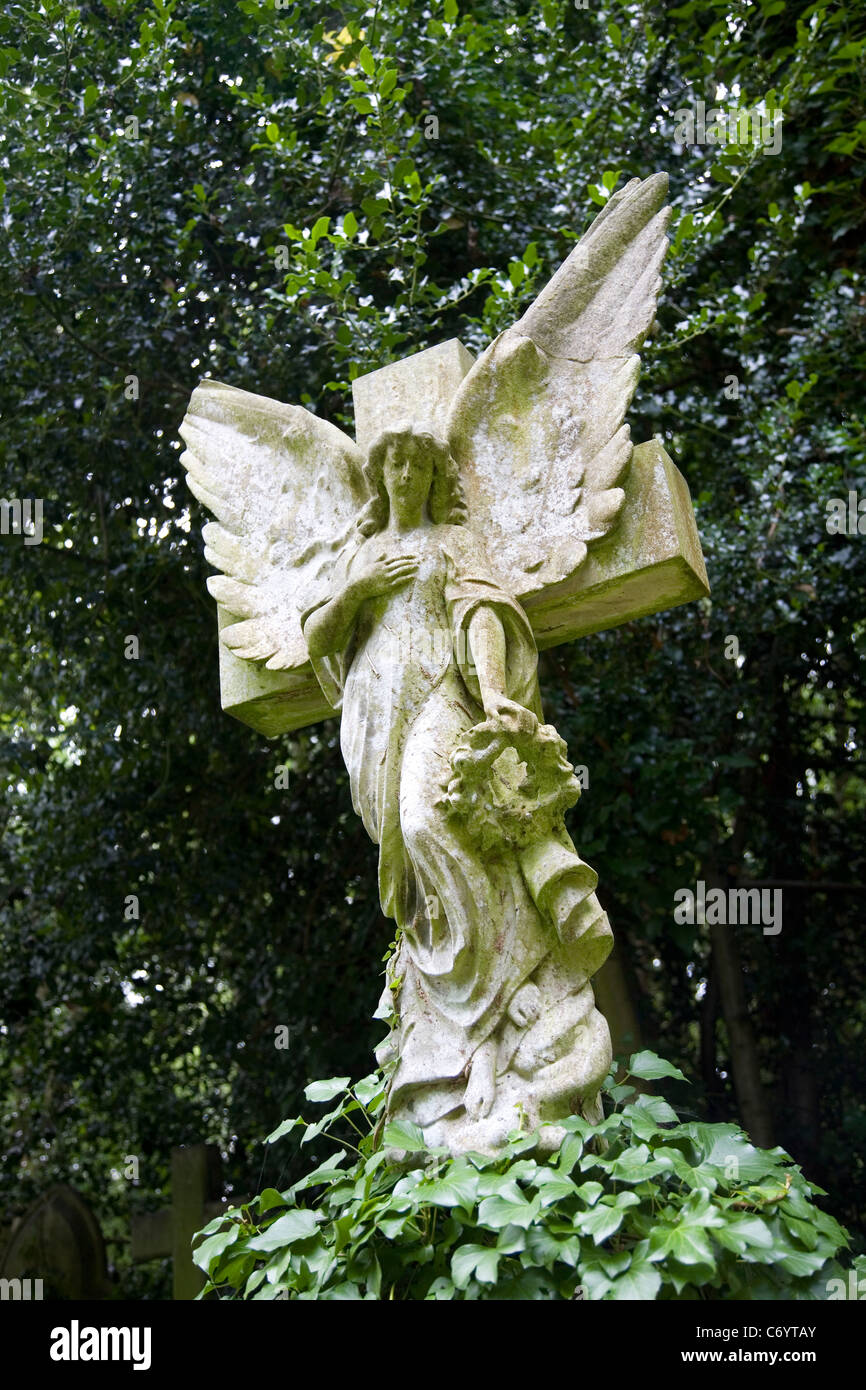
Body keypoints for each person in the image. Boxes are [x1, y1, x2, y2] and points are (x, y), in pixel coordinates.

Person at [302, 423, 612, 1152]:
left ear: (434, 473)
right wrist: (358, 588)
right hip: (375, 718)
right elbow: (318, 636)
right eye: (392, 462)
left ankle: (498, 996)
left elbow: (479, 611)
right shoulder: (365, 553)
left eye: (416, 461)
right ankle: (448, 1039)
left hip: (442, 694)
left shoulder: (453, 543)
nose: (404, 473)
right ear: (378, 476)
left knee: (427, 822)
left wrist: (497, 692)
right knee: (412, 880)